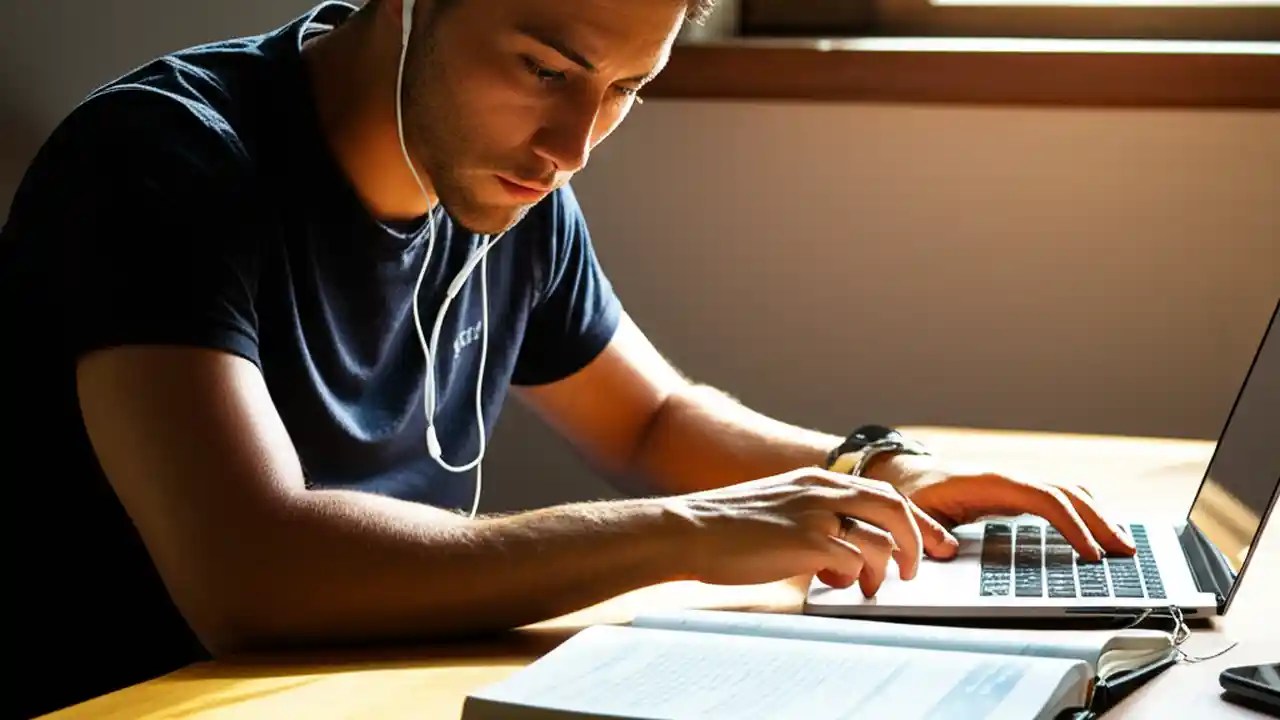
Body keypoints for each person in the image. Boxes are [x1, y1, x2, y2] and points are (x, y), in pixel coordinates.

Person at [2, 0, 1137, 715]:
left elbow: (647, 420)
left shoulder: (511, 189)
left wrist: (873, 474)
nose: (571, 145)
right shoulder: (159, 163)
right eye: (546, 68)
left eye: (625, 91)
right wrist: (691, 536)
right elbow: (250, 576)